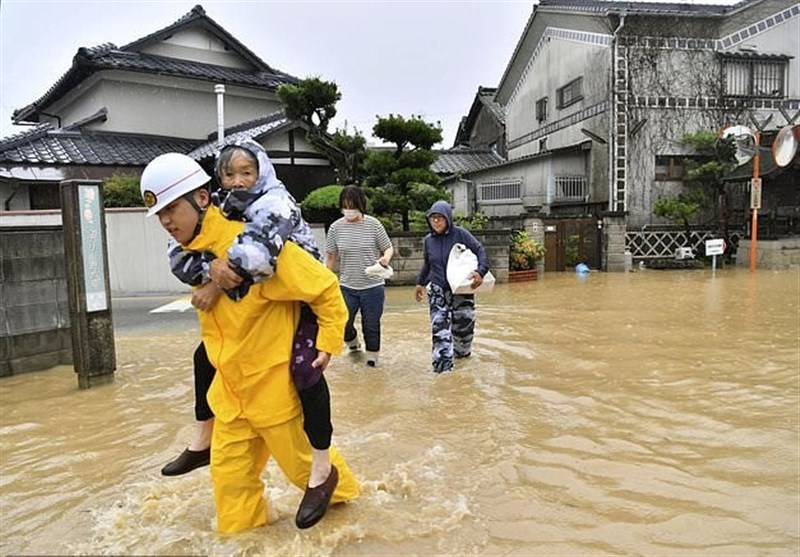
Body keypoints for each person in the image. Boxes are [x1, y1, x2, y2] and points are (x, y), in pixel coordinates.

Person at [140, 152, 359, 533]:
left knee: (317, 482)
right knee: (231, 493)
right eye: (160, 214)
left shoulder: (259, 247)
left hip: (276, 396)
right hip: (231, 399)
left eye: (172, 209)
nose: (166, 222)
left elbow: (324, 286)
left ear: (202, 200)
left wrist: (327, 341)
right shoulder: (194, 256)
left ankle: (360, 527)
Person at [414, 200, 489, 373]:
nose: (436, 222)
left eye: (440, 218)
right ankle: (442, 371)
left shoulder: (460, 234)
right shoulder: (428, 241)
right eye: (433, 219)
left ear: (448, 218)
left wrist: (481, 272)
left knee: (464, 331)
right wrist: (420, 283)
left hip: (461, 290)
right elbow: (427, 264)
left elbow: (480, 250)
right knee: (440, 332)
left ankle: (462, 362)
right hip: (438, 290)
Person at [324, 185, 394, 367]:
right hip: (347, 287)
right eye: (345, 206)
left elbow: (388, 247)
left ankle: (372, 361)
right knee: (343, 323)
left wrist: (385, 258)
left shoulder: (373, 224)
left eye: (352, 206)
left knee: (371, 325)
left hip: (373, 287)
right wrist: (324, 279)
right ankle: (354, 344)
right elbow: (331, 256)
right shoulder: (335, 228)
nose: (349, 210)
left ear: (361, 205)